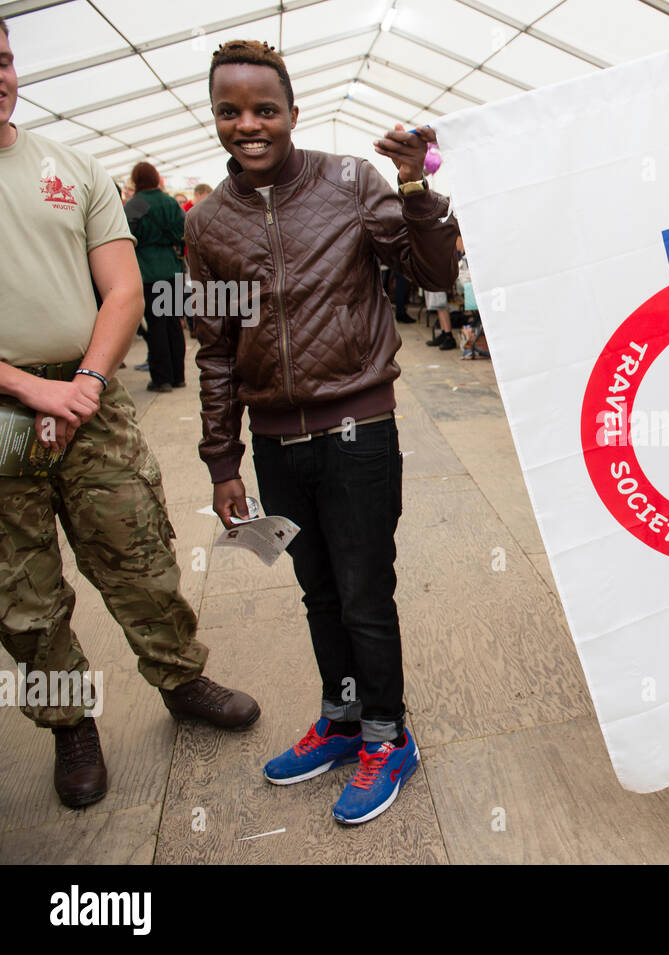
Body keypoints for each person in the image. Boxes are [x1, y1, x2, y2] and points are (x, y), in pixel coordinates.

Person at [187, 40, 459, 824]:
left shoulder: (351, 181)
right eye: (230, 111)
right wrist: (222, 459)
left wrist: (416, 186)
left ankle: (387, 734)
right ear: (216, 119)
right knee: (318, 593)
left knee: (366, 593)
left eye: (264, 109)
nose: (249, 124)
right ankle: (342, 720)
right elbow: (212, 347)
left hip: (358, 429)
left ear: (292, 114)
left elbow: (433, 273)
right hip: (274, 444)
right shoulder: (207, 223)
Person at [0, 15, 259, 811]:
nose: (1, 75)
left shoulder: (69, 166)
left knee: (138, 549)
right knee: (24, 591)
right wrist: (29, 389)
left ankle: (181, 676)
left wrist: (82, 378)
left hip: (89, 397)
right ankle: (69, 723)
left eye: (5, 59)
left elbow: (121, 286)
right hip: (6, 414)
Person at [124, 162, 187, 391]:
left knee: (156, 326)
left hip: (148, 270)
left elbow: (125, 235)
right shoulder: (170, 202)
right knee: (174, 324)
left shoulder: (135, 205)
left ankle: (162, 379)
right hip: (171, 268)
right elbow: (183, 231)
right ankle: (179, 375)